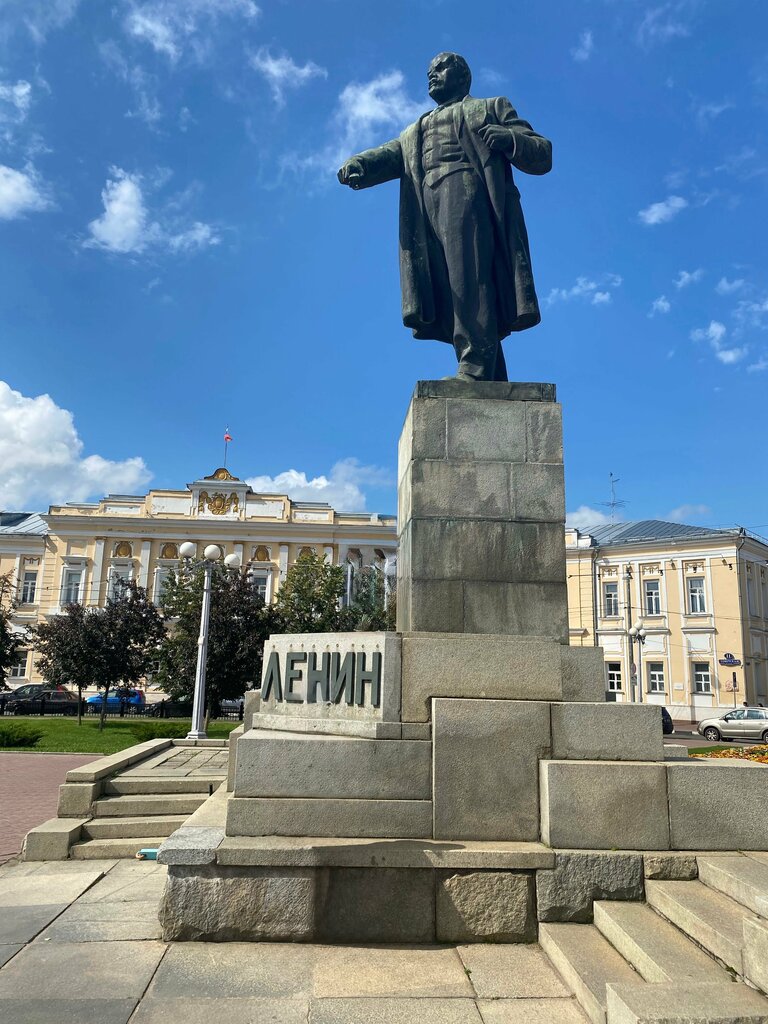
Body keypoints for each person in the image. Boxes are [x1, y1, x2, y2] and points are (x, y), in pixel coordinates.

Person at [338, 52, 551, 382]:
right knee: (451, 287)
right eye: (429, 70)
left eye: (440, 68)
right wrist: (361, 164)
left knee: (468, 277)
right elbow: (393, 154)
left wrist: (509, 138)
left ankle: (474, 365)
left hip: (466, 192)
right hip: (426, 209)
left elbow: (542, 153)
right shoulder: (416, 129)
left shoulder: (491, 106)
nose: (432, 74)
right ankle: (490, 372)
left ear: (463, 76)